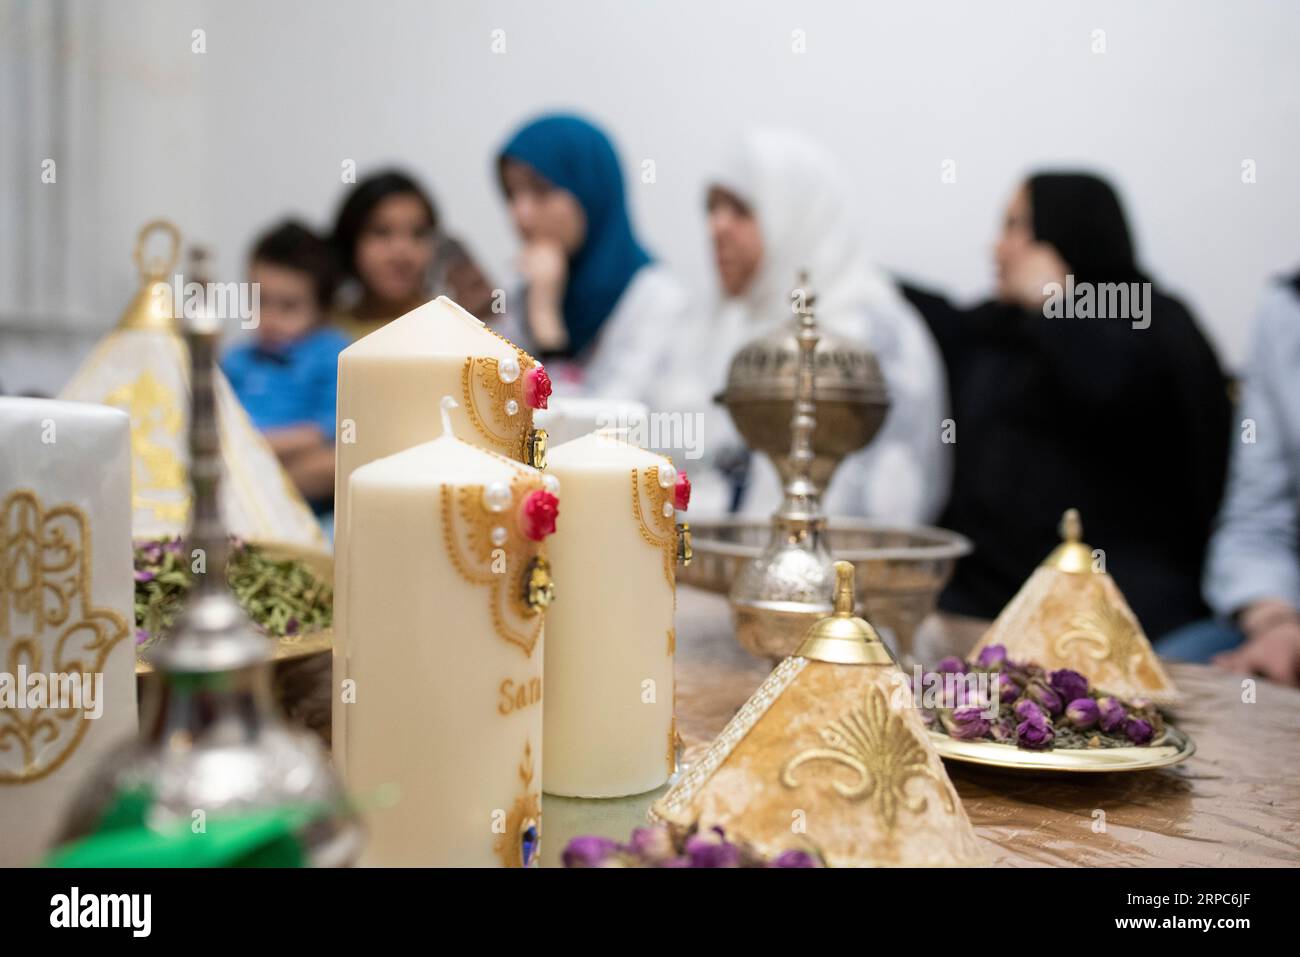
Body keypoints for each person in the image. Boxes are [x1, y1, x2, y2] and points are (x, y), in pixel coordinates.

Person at [905, 173, 1232, 642]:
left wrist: (1060, 305)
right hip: (987, 599)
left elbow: (1111, 390)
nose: (998, 248)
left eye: (1017, 227)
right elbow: (940, 317)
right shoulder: (1001, 330)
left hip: (1123, 607)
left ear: (1065, 233)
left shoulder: (1152, 320)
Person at [683, 128, 950, 521]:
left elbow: (877, 516)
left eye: (740, 209)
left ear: (796, 213)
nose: (716, 228)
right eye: (712, 208)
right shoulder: (724, 322)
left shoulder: (873, 337)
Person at [1154, 274, 1300, 686]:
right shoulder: (1286, 310)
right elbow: (1258, 518)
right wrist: (1275, 621)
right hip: (1285, 613)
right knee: (1157, 690)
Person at [496, 113, 688, 405]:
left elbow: (603, 433)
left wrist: (547, 325)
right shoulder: (523, 285)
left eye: (540, 190)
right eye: (512, 194)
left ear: (590, 190)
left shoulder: (656, 300)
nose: (521, 214)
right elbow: (502, 411)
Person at [223, 220, 348, 512]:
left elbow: (326, 430)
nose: (270, 317)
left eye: (289, 306)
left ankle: (261, 496)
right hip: (240, 460)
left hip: (297, 464)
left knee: (334, 462)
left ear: (322, 309)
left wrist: (257, 445)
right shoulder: (238, 358)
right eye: (260, 301)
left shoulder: (332, 352)